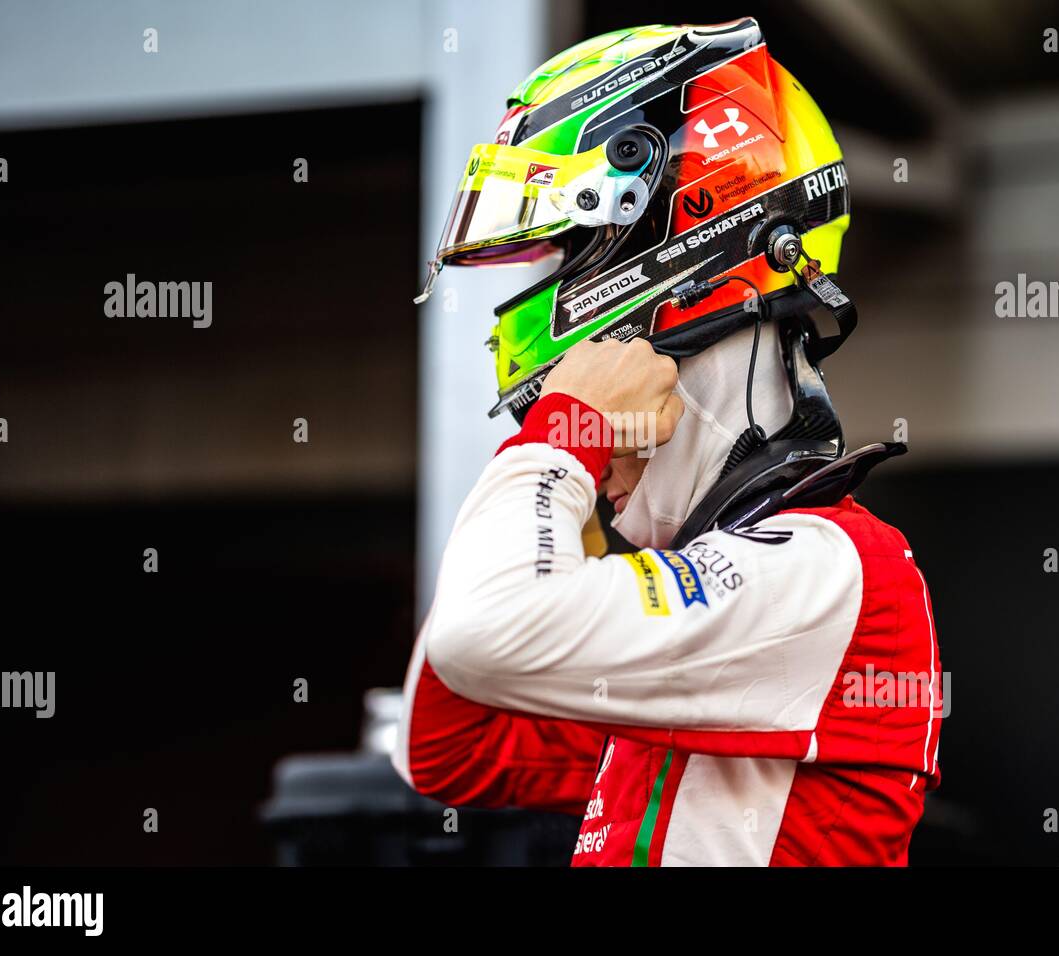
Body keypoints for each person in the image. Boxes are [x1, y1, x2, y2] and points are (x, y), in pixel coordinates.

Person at [396, 18, 942, 866]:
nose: (542, 301)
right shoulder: (706, 626)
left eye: (565, 256)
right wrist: (561, 468)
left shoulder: (830, 570)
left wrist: (566, 434)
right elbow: (449, 743)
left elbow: (483, 634)